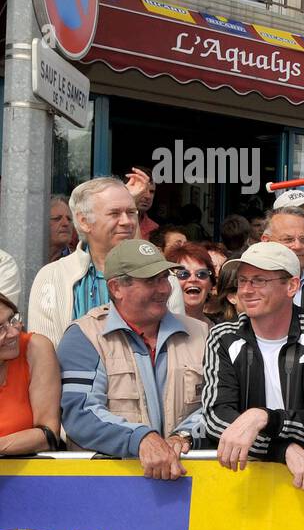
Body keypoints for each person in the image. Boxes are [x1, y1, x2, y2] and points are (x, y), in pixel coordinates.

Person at [200, 242, 304, 493]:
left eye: (259, 280)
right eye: (243, 280)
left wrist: (264, 417)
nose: (247, 290)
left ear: (291, 286)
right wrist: (282, 450)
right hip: (241, 480)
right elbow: (215, 418)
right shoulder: (222, 336)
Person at [58, 240, 208, 476]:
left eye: (163, 278)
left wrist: (185, 436)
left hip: (188, 485)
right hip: (110, 488)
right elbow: (81, 414)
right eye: (150, 281)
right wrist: (141, 439)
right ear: (116, 287)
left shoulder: (201, 333)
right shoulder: (84, 336)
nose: (163, 289)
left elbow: (219, 405)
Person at [28, 177, 183, 348]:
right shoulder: (52, 276)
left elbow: (175, 351)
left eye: (131, 212)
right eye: (114, 213)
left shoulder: (165, 279)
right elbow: (45, 356)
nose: (126, 222)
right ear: (83, 221)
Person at [0, 292, 60, 456]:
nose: (13, 332)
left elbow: (48, 435)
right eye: (0, 328)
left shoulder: (36, 348)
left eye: (13, 319)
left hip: (28, 475)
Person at [165, 242, 217, 326]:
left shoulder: (223, 331)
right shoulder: (156, 328)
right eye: (183, 274)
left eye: (202, 274)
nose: (193, 279)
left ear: (211, 284)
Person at [49, 195, 76, 263]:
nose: (66, 223)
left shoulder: (80, 264)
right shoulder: (25, 258)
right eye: (57, 218)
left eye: (69, 219)